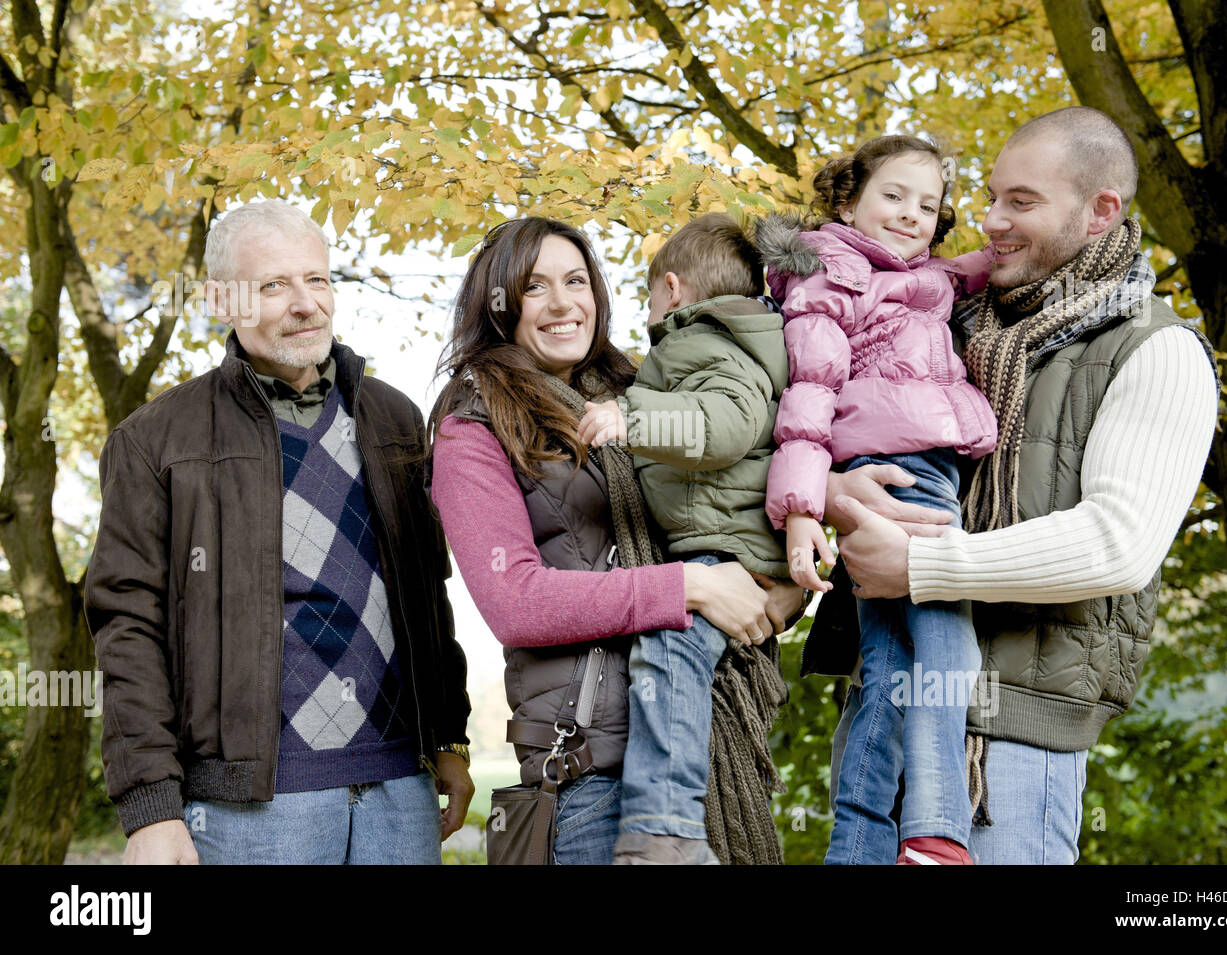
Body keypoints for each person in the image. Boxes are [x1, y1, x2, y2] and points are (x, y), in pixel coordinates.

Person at [825, 107, 1219, 864]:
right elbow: (855, 434)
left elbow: (1119, 544)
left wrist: (922, 567)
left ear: (1101, 210)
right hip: (882, 710)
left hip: (1012, 748)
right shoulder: (945, 322)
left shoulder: (1156, 350)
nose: (990, 220)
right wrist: (840, 492)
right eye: (990, 197)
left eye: (1022, 202)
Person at [84, 199, 473, 865]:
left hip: (399, 796)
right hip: (249, 812)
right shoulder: (154, 441)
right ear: (219, 300)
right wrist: (150, 803)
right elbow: (128, 628)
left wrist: (449, 739)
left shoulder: (395, 419)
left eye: (317, 280)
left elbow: (427, 596)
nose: (306, 304)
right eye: (273, 286)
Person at [429, 216, 790, 864]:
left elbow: (730, 508)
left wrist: (779, 593)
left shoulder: (642, 394)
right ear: (499, 302)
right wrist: (692, 586)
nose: (564, 302)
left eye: (576, 280)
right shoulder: (473, 425)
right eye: (535, 287)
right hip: (593, 776)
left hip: (711, 755)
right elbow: (515, 600)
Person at [755, 134, 997, 865]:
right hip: (902, 468)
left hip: (900, 468)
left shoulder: (926, 278)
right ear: (846, 199)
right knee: (949, 632)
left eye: (929, 205)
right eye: (893, 195)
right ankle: (937, 827)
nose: (911, 214)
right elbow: (810, 390)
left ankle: (857, 847)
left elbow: (985, 263)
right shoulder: (832, 272)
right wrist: (801, 505)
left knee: (888, 665)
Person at [575, 212, 805, 863]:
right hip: (727, 544)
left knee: (669, 652)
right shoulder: (742, 341)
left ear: (672, 289)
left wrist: (632, 415)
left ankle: (665, 827)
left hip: (725, 545)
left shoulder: (703, 343)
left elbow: (726, 425)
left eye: (649, 296)